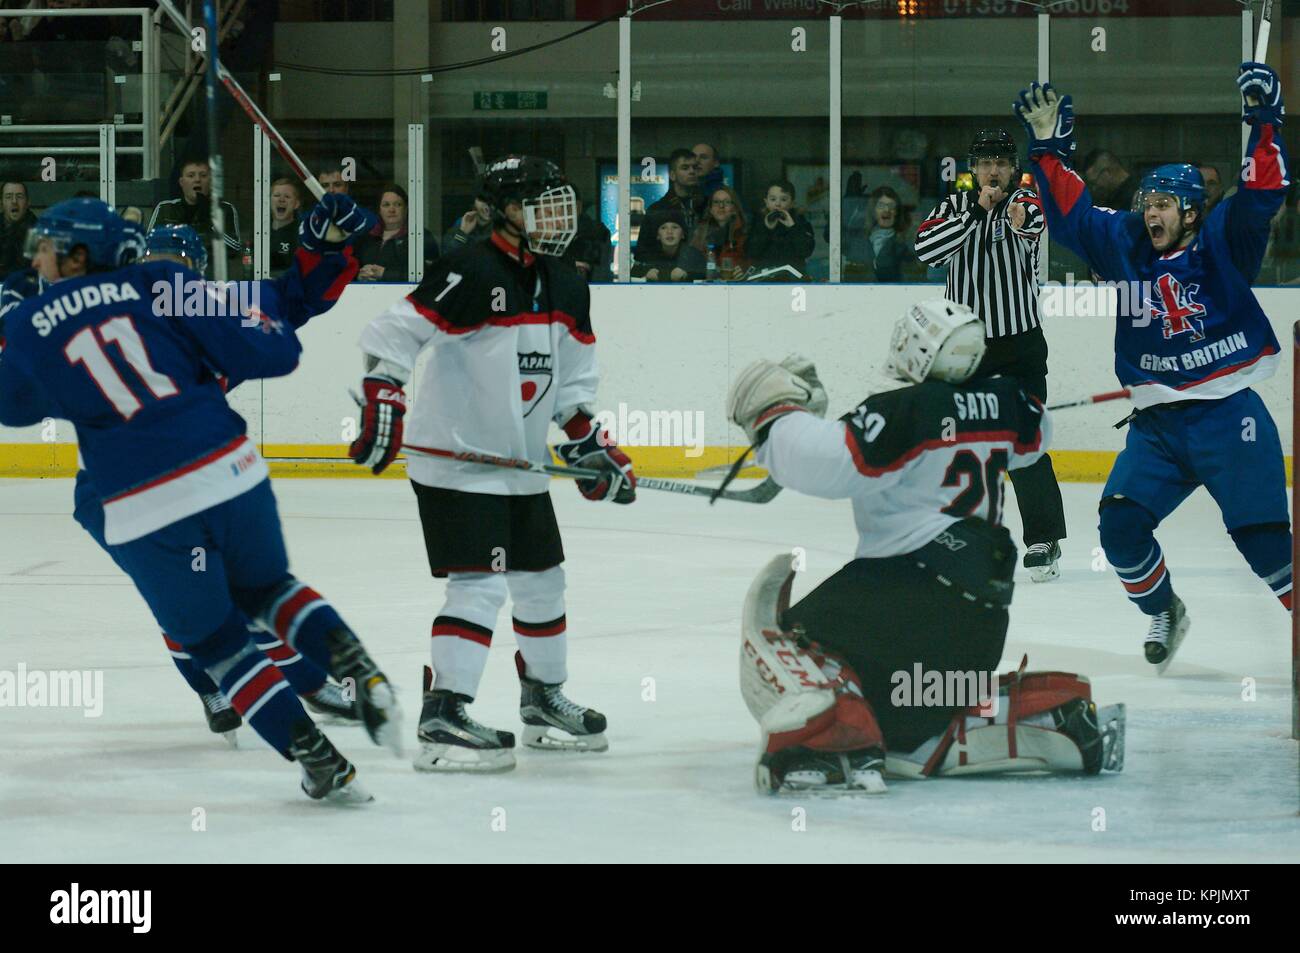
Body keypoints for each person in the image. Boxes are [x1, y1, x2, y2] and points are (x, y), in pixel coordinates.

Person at [0, 197, 401, 802]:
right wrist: (326, 250)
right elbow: (284, 326)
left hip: (133, 490)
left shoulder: (40, 314)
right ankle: (332, 665)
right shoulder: (173, 290)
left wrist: (325, 248)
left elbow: (16, 406)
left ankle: (295, 720)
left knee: (213, 632)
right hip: (224, 464)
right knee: (262, 591)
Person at [726, 300, 1124, 795]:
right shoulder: (1009, 402)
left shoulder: (909, 409)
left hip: (911, 599)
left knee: (785, 636)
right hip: (979, 624)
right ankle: (1049, 718)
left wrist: (776, 415)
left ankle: (832, 746)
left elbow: (825, 461)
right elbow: (1037, 436)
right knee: (906, 721)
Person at [349, 155, 632, 773]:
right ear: (506, 210)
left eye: (561, 199)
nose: (560, 212)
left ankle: (541, 698)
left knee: (542, 581)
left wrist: (587, 442)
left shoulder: (567, 281)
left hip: (521, 465)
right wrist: (384, 392)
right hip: (456, 461)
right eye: (542, 200)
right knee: (478, 584)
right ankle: (444, 714)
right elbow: (396, 331)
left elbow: (572, 382)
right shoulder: (469, 268)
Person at [1016, 65, 1292, 671]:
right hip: (1159, 430)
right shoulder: (1126, 243)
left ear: (1191, 212)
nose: (1149, 213)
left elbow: (1262, 196)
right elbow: (1071, 217)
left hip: (1229, 420)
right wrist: (1049, 149)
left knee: (1271, 554)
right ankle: (1165, 609)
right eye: (1145, 202)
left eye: (1163, 204)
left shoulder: (1224, 242)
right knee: (1119, 529)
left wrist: (1264, 121)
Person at [915, 129, 1067, 580]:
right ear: (973, 169)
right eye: (985, 163)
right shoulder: (952, 207)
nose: (993, 170)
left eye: (1001, 162)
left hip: (1018, 346)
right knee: (958, 443)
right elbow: (927, 250)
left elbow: (1031, 226)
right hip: (963, 348)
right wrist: (978, 212)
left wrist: (1008, 218)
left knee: (1024, 442)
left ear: (1012, 167)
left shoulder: (1027, 202)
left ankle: (1043, 539)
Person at [146, 159, 242, 278]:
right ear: (181, 182)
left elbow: (235, 248)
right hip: (171, 277)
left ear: (210, 181)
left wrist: (211, 221)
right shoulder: (166, 208)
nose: (197, 180)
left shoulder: (224, 209)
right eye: (191, 175)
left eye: (203, 175)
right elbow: (149, 245)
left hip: (213, 278)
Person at [355, 183, 438, 282]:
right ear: (379, 210)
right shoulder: (366, 238)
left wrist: (385, 274)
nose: (391, 209)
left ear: (406, 209)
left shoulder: (420, 237)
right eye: (386, 205)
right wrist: (359, 276)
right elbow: (351, 270)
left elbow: (433, 274)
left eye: (398, 204)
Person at [745, 179, 815, 280]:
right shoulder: (758, 222)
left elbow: (806, 251)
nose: (778, 204)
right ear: (766, 202)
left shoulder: (801, 222)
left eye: (783, 200)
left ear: (792, 203)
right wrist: (766, 229)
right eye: (773, 199)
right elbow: (751, 252)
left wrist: (792, 227)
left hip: (793, 281)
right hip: (765, 281)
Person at [643, 148, 706, 246]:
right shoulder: (657, 210)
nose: (692, 171)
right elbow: (644, 251)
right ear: (672, 175)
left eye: (695, 167)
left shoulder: (707, 205)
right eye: (685, 168)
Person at [630, 208, 706, 282]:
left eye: (675, 227)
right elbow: (633, 273)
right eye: (663, 228)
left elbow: (706, 275)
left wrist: (687, 274)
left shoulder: (694, 255)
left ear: (683, 234)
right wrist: (646, 273)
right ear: (658, 235)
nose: (669, 232)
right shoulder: (647, 255)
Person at [691, 185, 749, 280]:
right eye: (716, 202)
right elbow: (693, 265)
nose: (721, 206)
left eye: (726, 202)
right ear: (710, 209)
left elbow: (754, 263)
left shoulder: (745, 233)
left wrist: (744, 270)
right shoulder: (699, 234)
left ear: (734, 208)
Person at [1, 181, 36, 279]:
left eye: (19, 196)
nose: (14, 201)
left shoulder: (39, 232)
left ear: (28, 202)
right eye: (8, 197)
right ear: (1, 202)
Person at [268, 177, 302, 273]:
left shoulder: (301, 234)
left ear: (296, 204)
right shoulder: (259, 230)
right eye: (276, 195)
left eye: (287, 196)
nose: (281, 200)